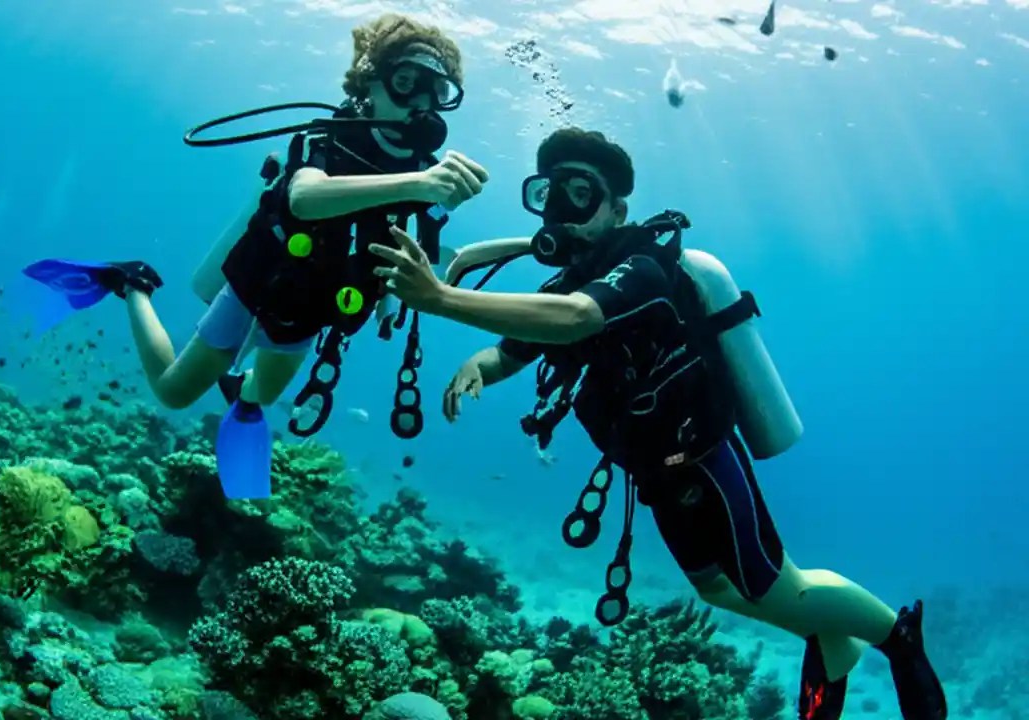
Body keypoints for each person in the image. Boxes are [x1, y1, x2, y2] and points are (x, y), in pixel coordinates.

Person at [368, 127, 947, 720]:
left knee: (775, 586)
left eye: (579, 193)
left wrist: (440, 299)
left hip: (704, 461)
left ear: (617, 209)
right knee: (716, 589)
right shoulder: (565, 281)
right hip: (653, 474)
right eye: (548, 193)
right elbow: (515, 350)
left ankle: (895, 635)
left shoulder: (642, 268)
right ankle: (830, 634)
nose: (560, 210)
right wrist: (477, 367)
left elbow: (575, 319)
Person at [23, 13, 489, 499]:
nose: (419, 104)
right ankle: (130, 283)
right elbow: (303, 197)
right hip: (260, 283)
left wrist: (518, 249)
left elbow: (427, 249)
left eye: (435, 92)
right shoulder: (324, 138)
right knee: (174, 392)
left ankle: (240, 397)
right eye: (406, 83)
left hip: (315, 309)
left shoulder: (426, 173)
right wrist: (418, 183)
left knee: (261, 395)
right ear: (369, 83)